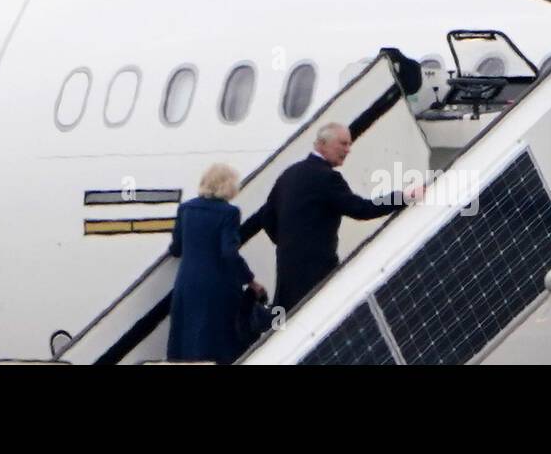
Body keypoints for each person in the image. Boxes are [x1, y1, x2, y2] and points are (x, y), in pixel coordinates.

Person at [261, 123, 421, 313]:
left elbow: (266, 216)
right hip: (317, 271)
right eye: (343, 144)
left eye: (349, 144)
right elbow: (361, 209)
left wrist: (288, 242)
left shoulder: (289, 174)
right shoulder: (327, 178)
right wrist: (403, 197)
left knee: (290, 323)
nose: (348, 150)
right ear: (322, 144)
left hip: (287, 269)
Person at [167, 163, 265, 363]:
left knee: (189, 341)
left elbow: (176, 248)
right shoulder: (229, 212)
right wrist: (251, 280)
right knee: (220, 343)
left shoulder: (186, 209)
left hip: (187, 284)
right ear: (228, 186)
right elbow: (229, 253)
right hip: (217, 286)